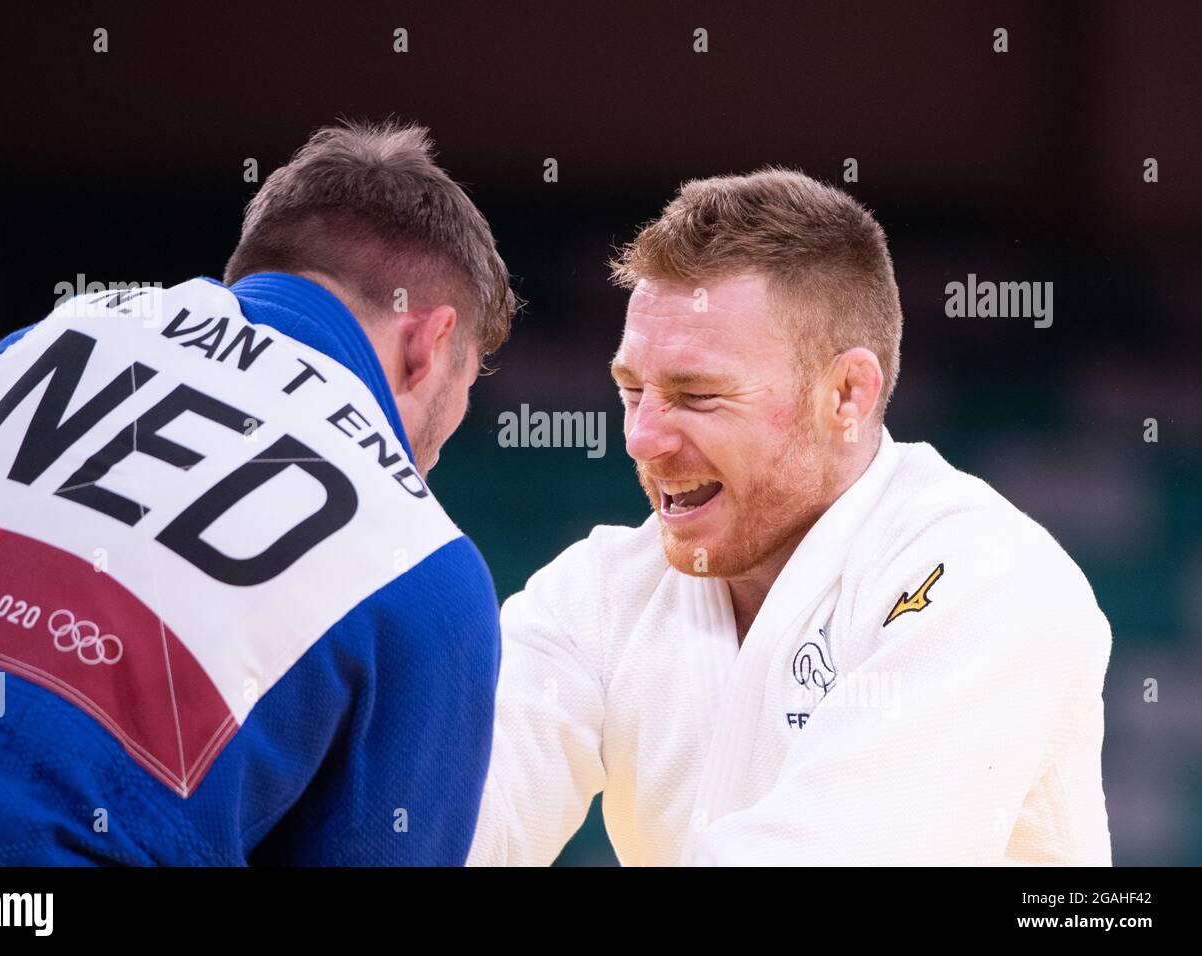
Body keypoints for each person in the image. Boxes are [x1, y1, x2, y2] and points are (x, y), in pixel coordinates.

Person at [0, 120, 514, 865]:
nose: (436, 453)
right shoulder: (424, 566)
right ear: (428, 342)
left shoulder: (19, 355)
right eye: (464, 384)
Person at [467, 168, 1113, 866]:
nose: (641, 438)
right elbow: (455, 829)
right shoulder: (598, 595)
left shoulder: (986, 575)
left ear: (846, 394)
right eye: (633, 390)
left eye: (699, 394)